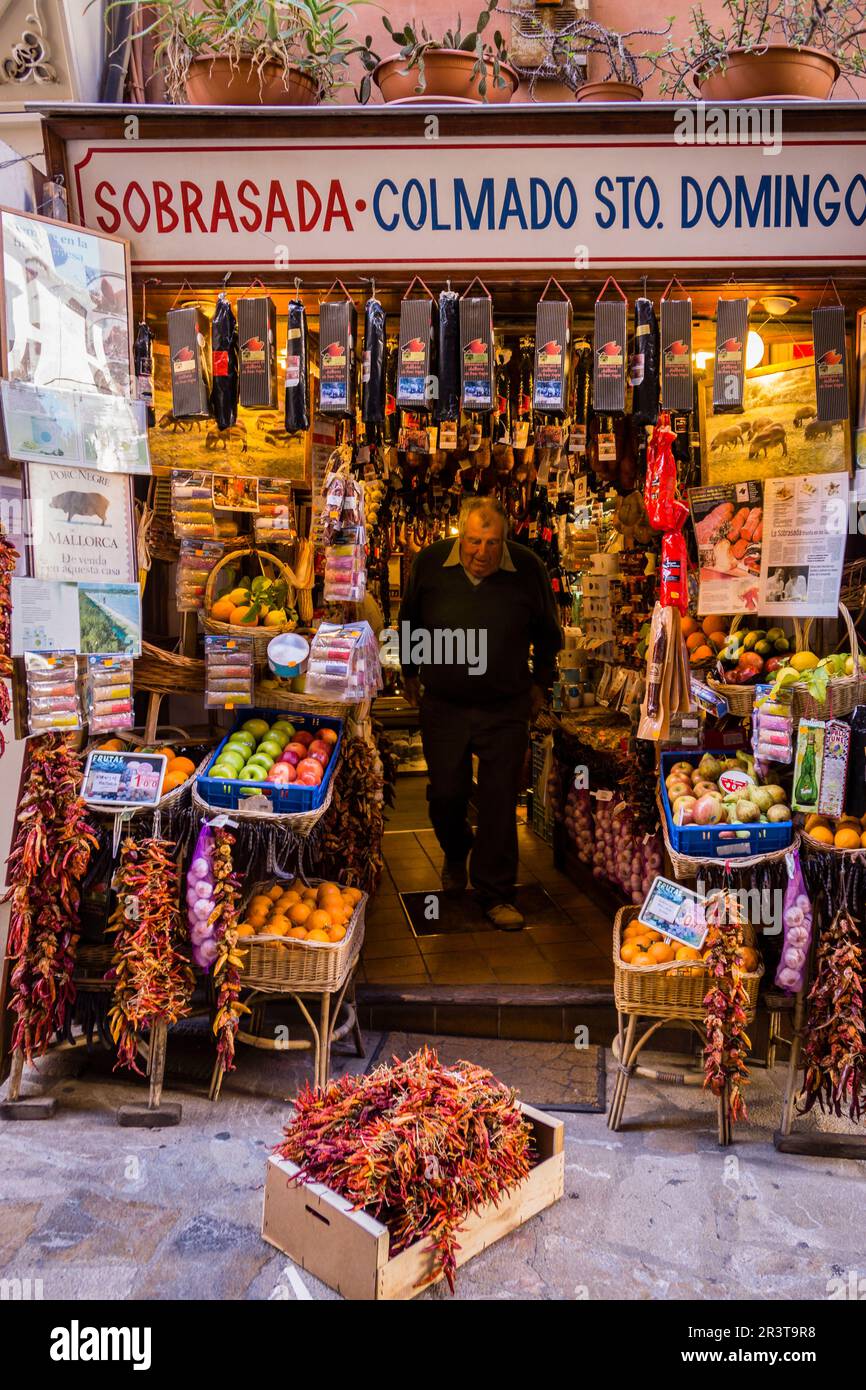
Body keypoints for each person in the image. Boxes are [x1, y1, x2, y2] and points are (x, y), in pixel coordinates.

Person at [399, 497, 563, 930]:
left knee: (498, 801)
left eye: (492, 543)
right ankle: (456, 849)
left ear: (504, 540)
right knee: (447, 793)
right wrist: (409, 672)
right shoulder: (431, 563)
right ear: (461, 534)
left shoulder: (528, 570)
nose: (482, 553)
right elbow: (409, 620)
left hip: (505, 706)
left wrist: (540, 685)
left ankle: (496, 894)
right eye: (474, 542)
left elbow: (549, 634)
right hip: (444, 704)